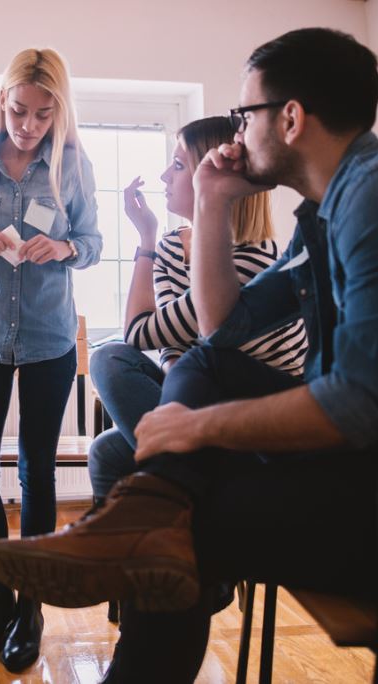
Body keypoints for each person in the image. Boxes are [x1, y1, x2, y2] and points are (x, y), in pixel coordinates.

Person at [0, 28, 378, 682]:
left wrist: (197, 425)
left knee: (182, 533)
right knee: (184, 400)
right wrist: (210, 202)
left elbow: (355, 407)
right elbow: (223, 329)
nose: (236, 132)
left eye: (244, 115)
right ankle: (143, 511)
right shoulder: (338, 206)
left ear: (289, 118)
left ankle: (136, 522)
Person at [0, 47, 102, 671]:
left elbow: (91, 244)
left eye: (40, 114)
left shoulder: (74, 169)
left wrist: (60, 246)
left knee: (36, 471)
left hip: (48, 343)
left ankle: (30, 607)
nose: (27, 125)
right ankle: (0, 599)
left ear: (58, 112)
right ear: (1, 102)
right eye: (17, 111)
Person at [89, 115, 306, 500]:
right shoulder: (174, 245)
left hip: (252, 413)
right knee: (106, 446)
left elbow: (142, 332)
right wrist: (148, 237)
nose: (163, 177)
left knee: (111, 362)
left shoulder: (252, 260)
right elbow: (160, 339)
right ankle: (136, 549)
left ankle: (180, 489)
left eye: (177, 166)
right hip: (197, 389)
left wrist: (179, 380)